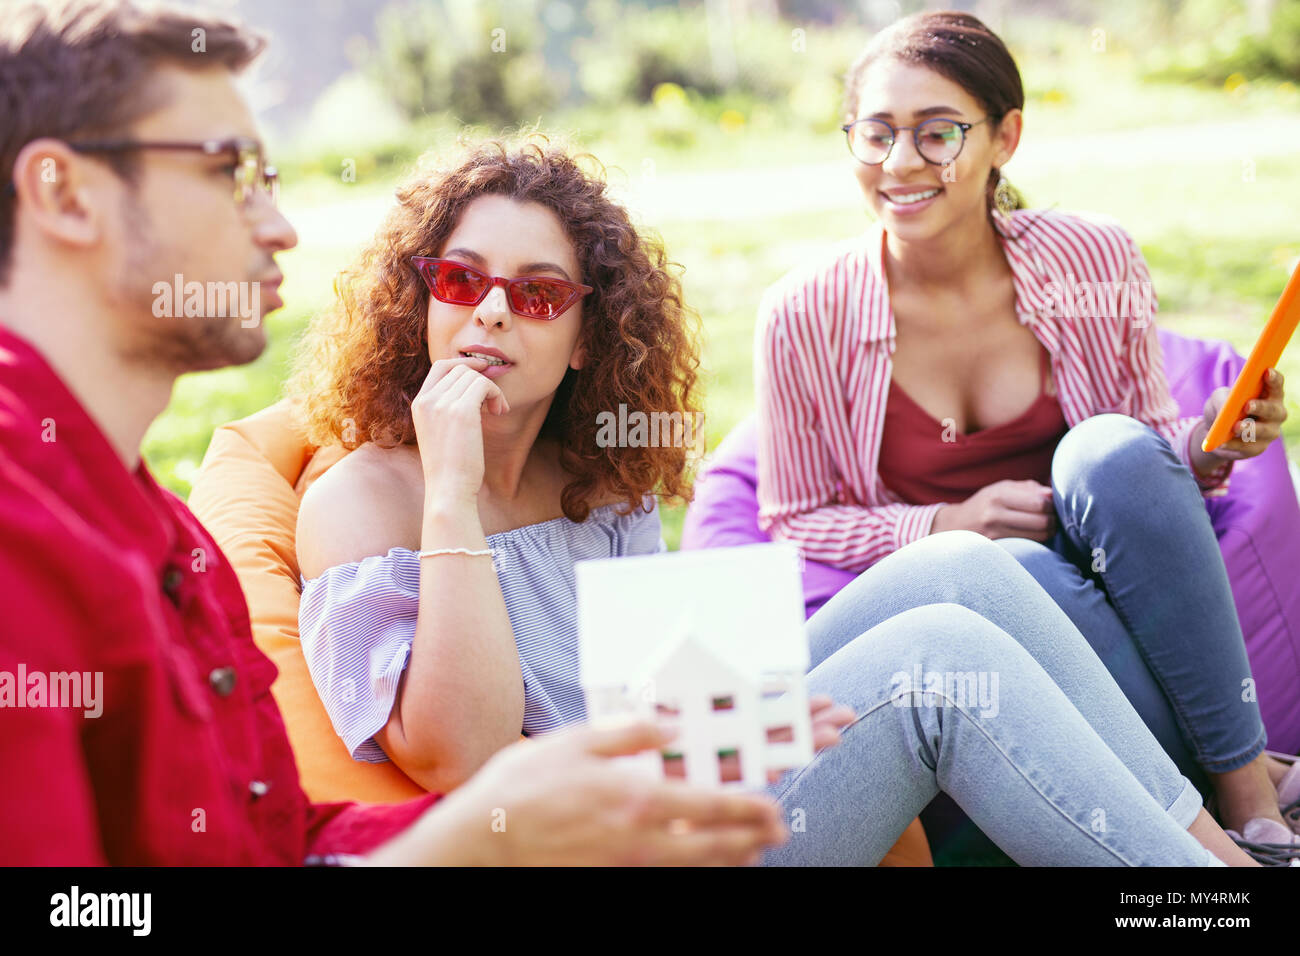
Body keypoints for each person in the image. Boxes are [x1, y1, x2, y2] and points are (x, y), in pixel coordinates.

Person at [289, 133, 1273, 865]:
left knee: (962, 569)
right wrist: (451, 491)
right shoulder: (363, 501)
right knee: (937, 662)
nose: (493, 308)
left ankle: (1225, 861)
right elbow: (461, 760)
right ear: (421, 302)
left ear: (585, 337)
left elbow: (662, 707)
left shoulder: (595, 477)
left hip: (686, 780)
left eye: (540, 292)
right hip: (609, 847)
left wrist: (744, 695)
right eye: (461, 280)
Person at [0, 0, 793, 867]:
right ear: (64, 193)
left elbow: (280, 841)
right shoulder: (24, 537)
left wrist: (517, 820)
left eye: (537, 295)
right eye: (228, 170)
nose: (281, 226)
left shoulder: (169, 532)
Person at [752, 9, 1299, 855]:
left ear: (1005, 137)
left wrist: (1208, 448)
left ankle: (1245, 797)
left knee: (1111, 451)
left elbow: (1147, 467)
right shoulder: (802, 315)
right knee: (1005, 568)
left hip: (1118, 589)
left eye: (938, 134)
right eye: (876, 134)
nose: (900, 163)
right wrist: (941, 525)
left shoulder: (1092, 258)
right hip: (967, 629)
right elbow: (795, 520)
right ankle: (1259, 790)